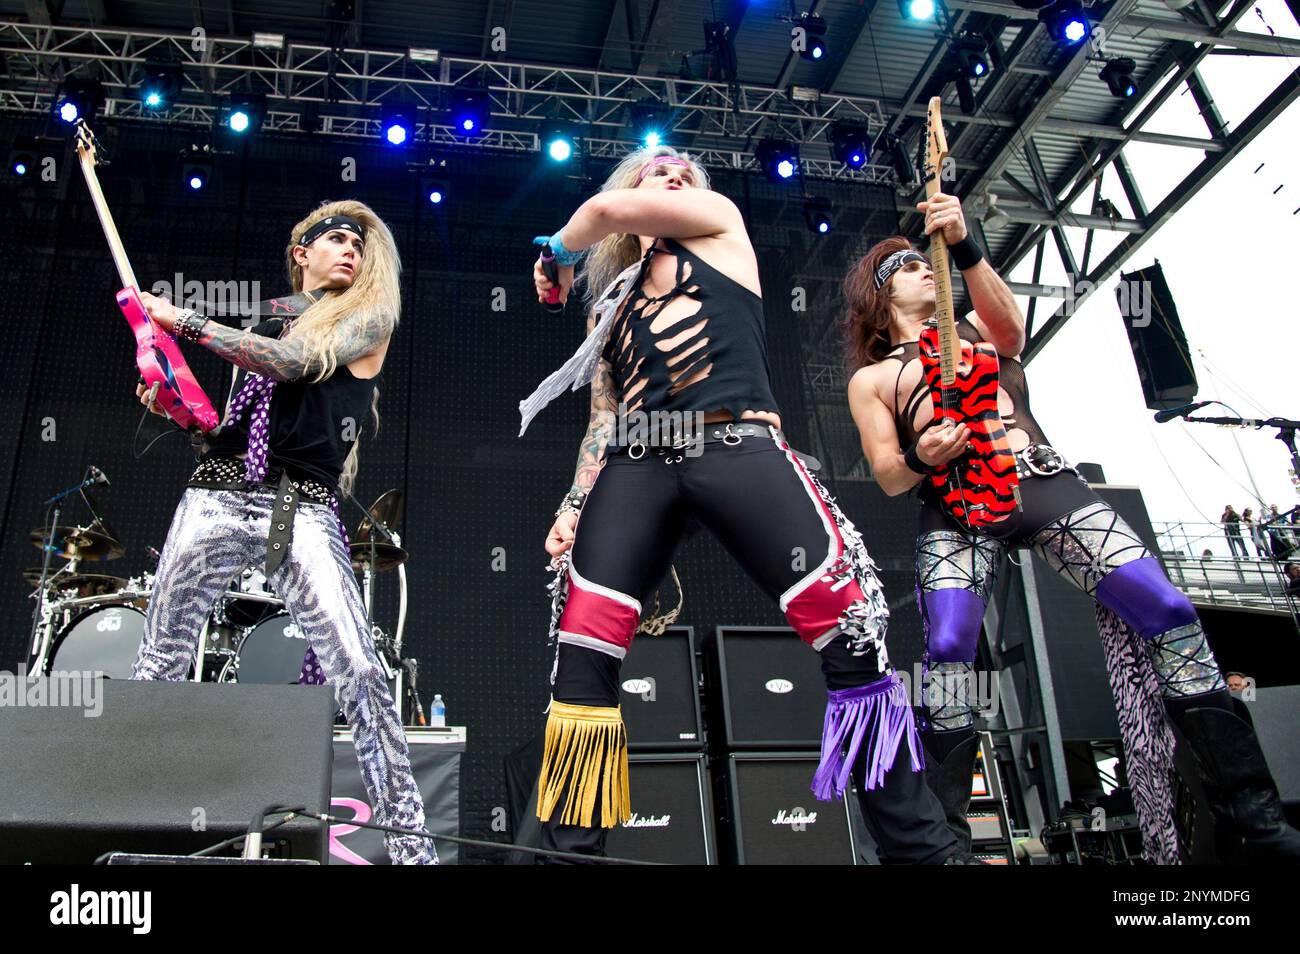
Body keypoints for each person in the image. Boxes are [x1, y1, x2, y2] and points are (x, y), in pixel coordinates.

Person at [518, 146, 962, 864]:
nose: (672, 179)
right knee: (581, 654)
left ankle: (925, 855)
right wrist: (575, 501)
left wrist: (555, 253)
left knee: (849, 627)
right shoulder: (611, 302)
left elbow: (599, 214)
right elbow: (605, 415)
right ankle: (569, 858)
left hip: (736, 443)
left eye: (682, 174)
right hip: (635, 462)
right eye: (655, 172)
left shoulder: (720, 224)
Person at [841, 193, 1300, 864]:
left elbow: (1013, 333)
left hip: (1040, 477)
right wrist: (920, 455)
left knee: (1169, 609)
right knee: (948, 649)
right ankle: (941, 844)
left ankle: (1253, 821)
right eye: (901, 267)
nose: (917, 267)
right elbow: (886, 473)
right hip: (954, 501)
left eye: (919, 259)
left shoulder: (973, 333)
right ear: (881, 304)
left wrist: (964, 244)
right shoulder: (875, 378)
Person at [128, 200, 436, 864]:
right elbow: (234, 437)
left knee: (358, 667)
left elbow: (291, 364)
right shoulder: (266, 314)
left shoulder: (367, 319)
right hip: (218, 489)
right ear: (302, 252)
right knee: (160, 655)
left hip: (301, 505)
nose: (351, 249)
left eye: (360, 242)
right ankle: (133, 824)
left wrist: (180, 318)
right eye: (335, 238)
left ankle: (413, 849)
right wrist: (180, 409)